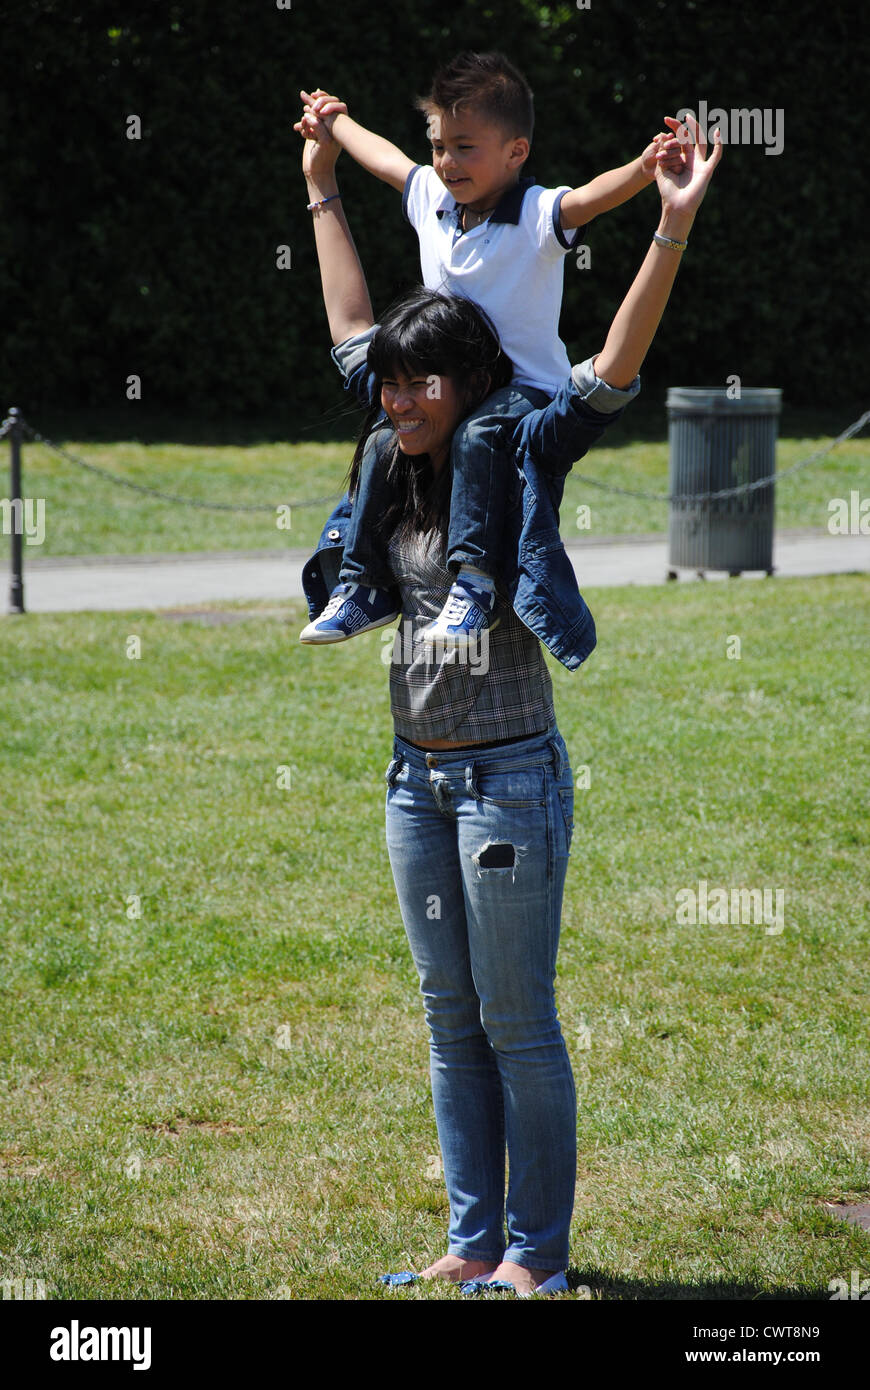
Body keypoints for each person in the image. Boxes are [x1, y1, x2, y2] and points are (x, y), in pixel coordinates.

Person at [298, 103, 721, 1294]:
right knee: (449, 1023)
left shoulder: (517, 444)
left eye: (422, 383)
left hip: (508, 782)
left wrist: (669, 228)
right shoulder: (391, 453)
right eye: (392, 385)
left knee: (515, 1023)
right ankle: (471, 1244)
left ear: (473, 382)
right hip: (412, 780)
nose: (399, 399)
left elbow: (611, 370)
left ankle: (538, 1256)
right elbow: (347, 324)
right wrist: (322, 183)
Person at [298, 52, 683, 647]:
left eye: (465, 146)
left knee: (479, 435)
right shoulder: (432, 197)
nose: (447, 162)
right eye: (440, 145)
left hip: (523, 392)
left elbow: (590, 199)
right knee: (380, 438)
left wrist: (643, 167)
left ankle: (475, 581)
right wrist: (334, 122)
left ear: (516, 152)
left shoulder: (534, 215)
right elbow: (386, 161)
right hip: (442, 380)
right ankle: (362, 585)